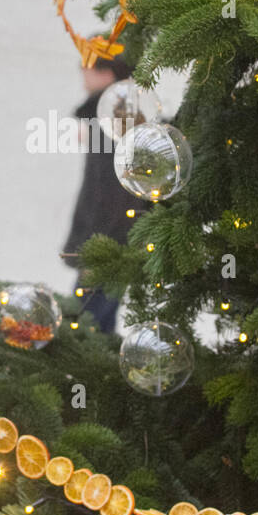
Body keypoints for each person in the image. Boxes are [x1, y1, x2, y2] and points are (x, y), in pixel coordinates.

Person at [61, 53, 146, 333]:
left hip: (106, 248)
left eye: (85, 66)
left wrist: (95, 253)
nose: (81, 73)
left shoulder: (112, 121)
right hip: (116, 246)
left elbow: (112, 193)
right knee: (101, 329)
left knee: (82, 329)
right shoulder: (123, 116)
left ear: (107, 72)